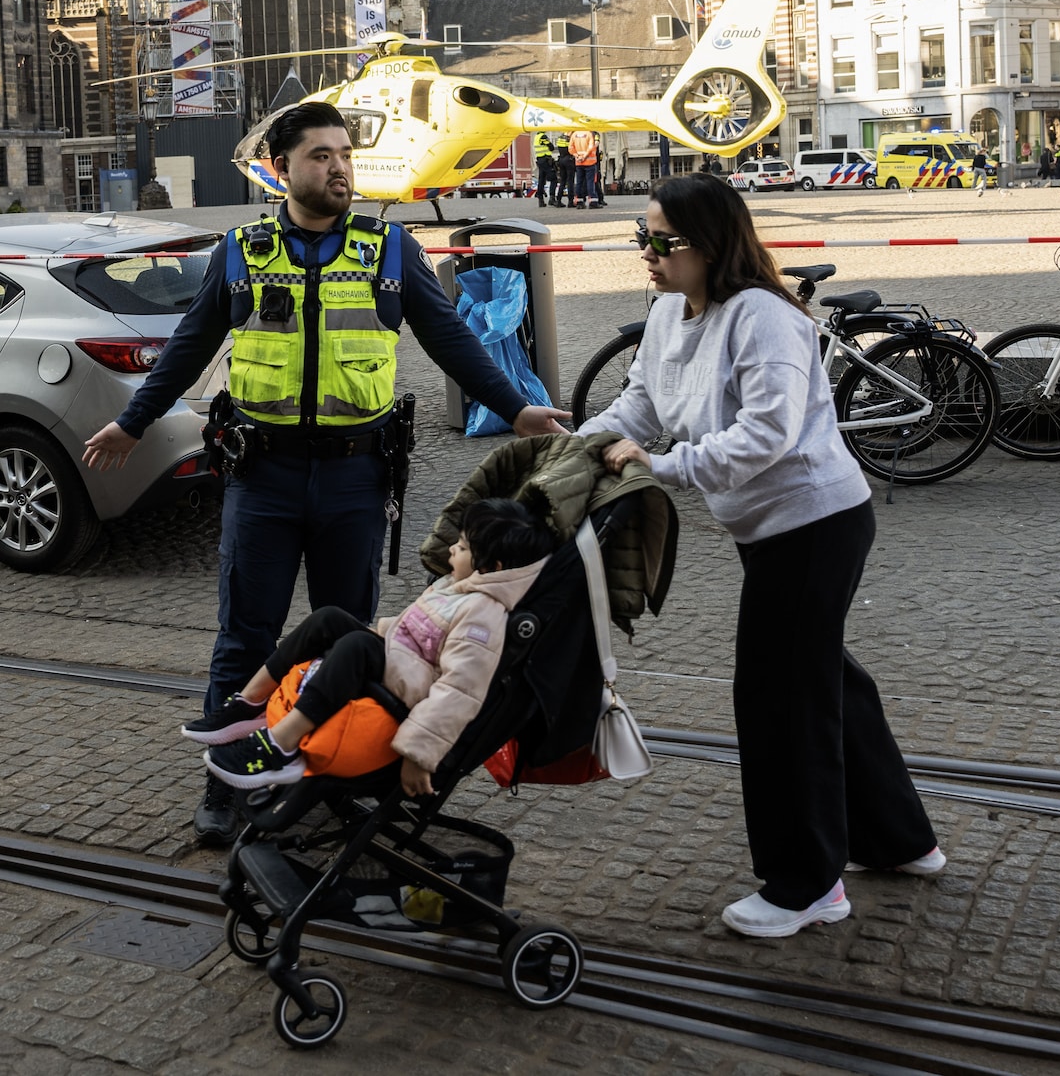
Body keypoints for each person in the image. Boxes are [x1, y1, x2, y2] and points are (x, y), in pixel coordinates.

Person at [84, 102, 570, 843]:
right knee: (244, 639)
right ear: (281, 169)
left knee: (353, 645)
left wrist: (516, 405)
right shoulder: (242, 251)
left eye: (345, 153)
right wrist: (134, 419)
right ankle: (224, 786)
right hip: (262, 478)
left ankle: (334, 780)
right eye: (321, 155)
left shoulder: (390, 249)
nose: (339, 167)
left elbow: (449, 337)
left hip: (355, 479)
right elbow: (189, 344)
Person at [578, 172, 939, 939]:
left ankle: (808, 883)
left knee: (779, 698)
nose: (648, 253)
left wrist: (656, 468)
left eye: (663, 241)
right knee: (824, 680)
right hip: (768, 530)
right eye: (642, 236)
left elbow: (767, 436)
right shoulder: (669, 312)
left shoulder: (766, 319)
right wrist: (570, 445)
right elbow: (639, 403)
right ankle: (901, 839)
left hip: (816, 522)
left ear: (712, 245)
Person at [195, 497, 559, 796]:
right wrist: (380, 631)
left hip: (410, 693)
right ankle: (249, 703)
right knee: (329, 619)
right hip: (402, 663)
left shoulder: (484, 616)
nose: (452, 548)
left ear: (491, 567)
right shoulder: (459, 585)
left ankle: (282, 744)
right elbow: (417, 629)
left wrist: (419, 755)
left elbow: (459, 691)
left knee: (355, 646)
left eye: (462, 547)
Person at [572, 130, 604, 208]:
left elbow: (570, 148)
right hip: (590, 162)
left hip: (579, 162)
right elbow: (592, 147)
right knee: (590, 182)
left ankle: (579, 202)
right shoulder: (590, 134)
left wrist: (577, 156)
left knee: (579, 182)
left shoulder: (575, 134)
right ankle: (593, 202)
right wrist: (584, 156)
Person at [534, 133, 558, 202]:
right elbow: (551, 147)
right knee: (554, 179)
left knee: (541, 179)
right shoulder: (543, 136)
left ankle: (540, 198)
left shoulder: (536, 137)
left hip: (539, 160)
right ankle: (552, 198)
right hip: (546, 160)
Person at [554, 138, 577, 208]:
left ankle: (558, 200)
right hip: (569, 160)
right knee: (570, 181)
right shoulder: (569, 139)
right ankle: (570, 201)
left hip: (561, 159)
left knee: (562, 181)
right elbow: (573, 149)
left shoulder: (560, 139)